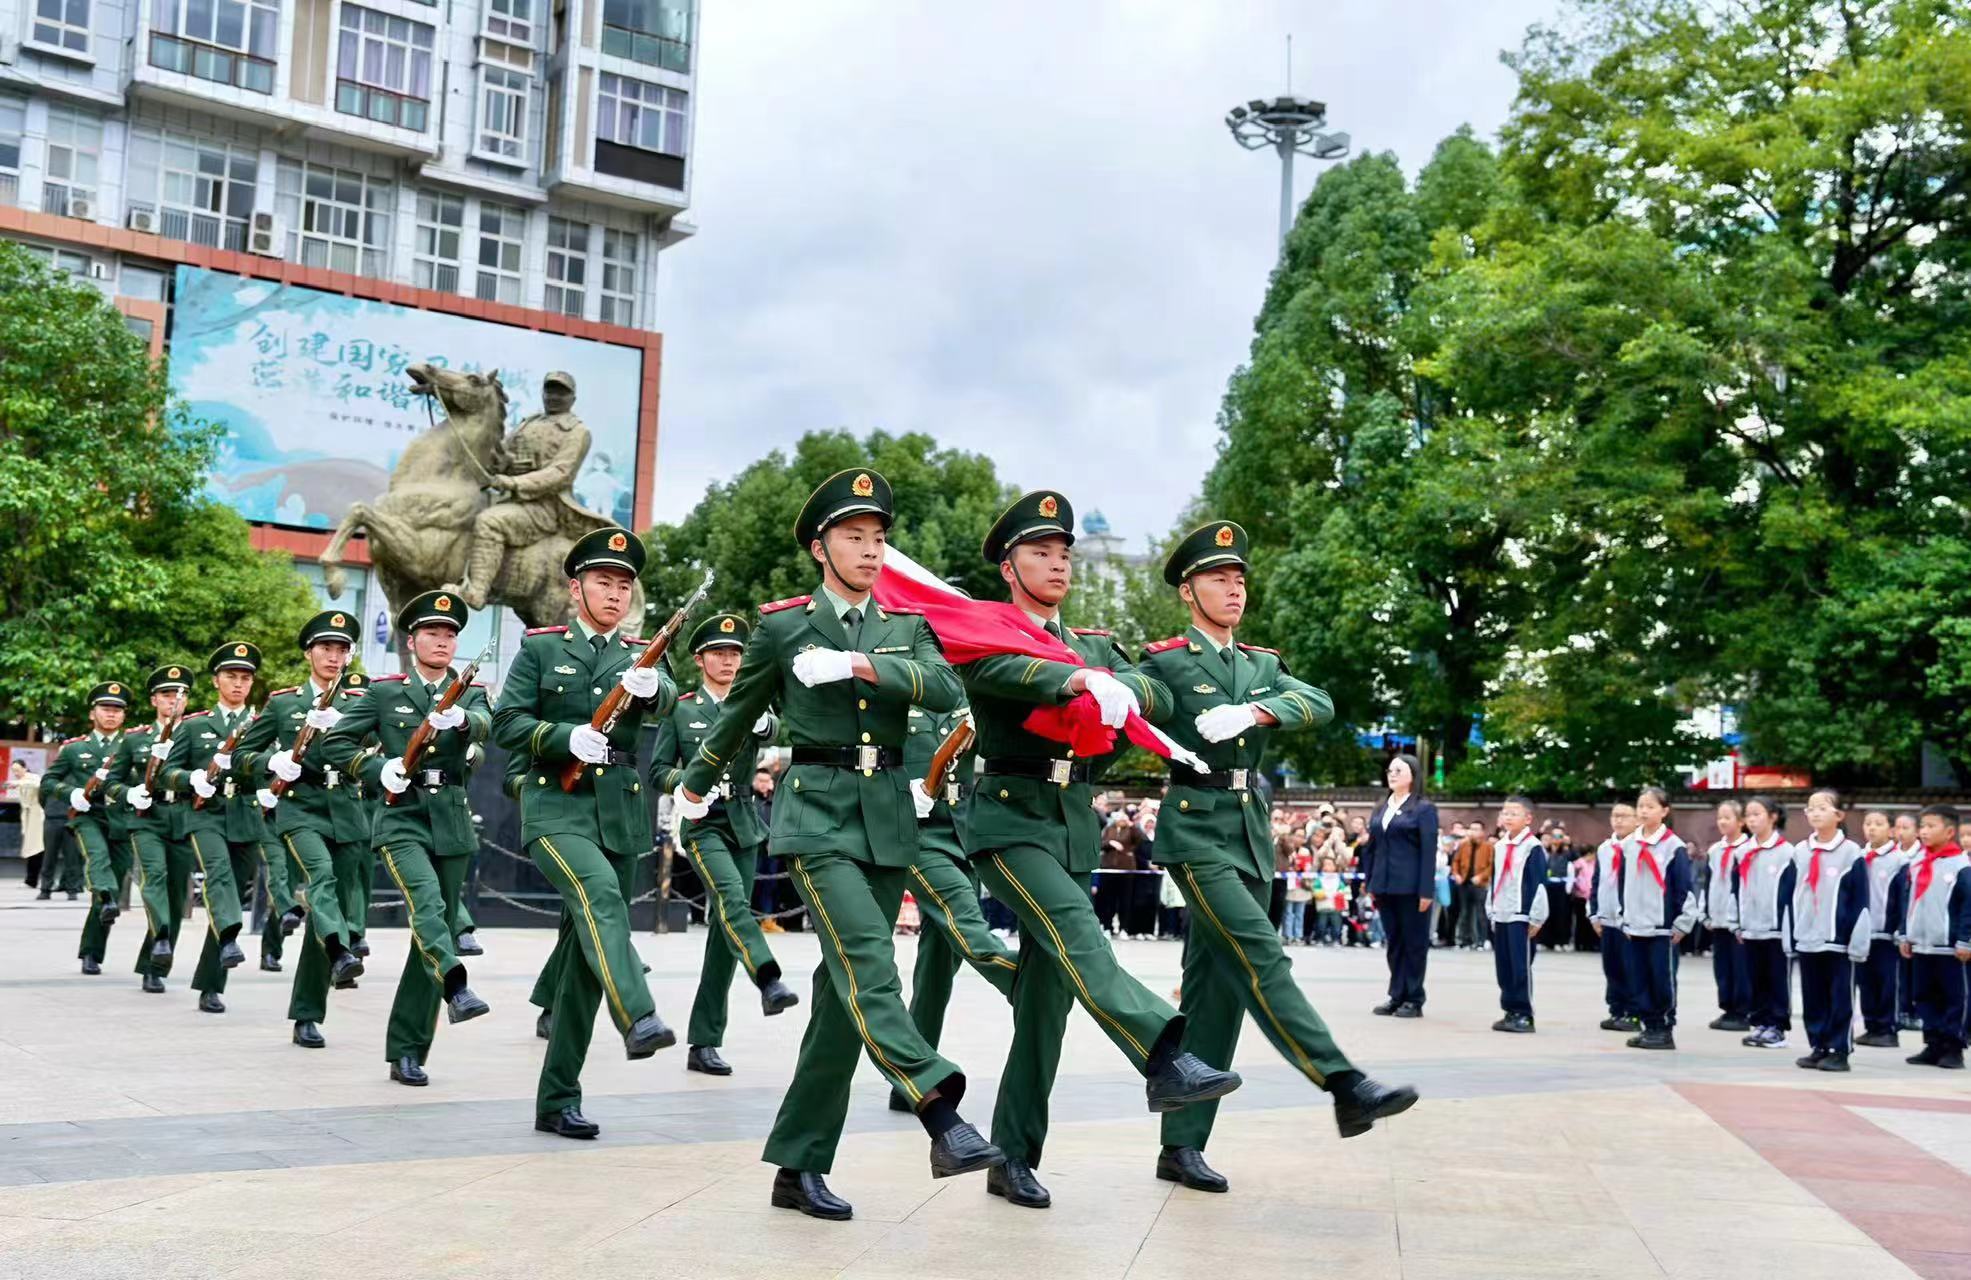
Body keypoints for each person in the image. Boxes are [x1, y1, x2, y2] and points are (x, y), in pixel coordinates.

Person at [670, 470, 1001, 1220]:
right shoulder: (783, 627)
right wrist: (691, 789)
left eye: (878, 537)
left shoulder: (903, 626)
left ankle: (797, 1164)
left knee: (839, 1002)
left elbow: (946, 692)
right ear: (821, 547)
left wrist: (857, 664)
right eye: (853, 537)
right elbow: (734, 718)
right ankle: (939, 1110)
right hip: (815, 815)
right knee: (870, 964)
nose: (869, 550)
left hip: (885, 817)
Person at [952, 492, 1243, 1211]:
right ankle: (1162, 1052)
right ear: (1008, 567)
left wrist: (1116, 684)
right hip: (1008, 821)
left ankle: (1012, 1154)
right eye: (1039, 553)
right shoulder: (987, 633)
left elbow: (1156, 690)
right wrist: (1078, 681)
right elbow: (1009, 673)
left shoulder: (1093, 643)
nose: (1056, 564)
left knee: (1046, 1002)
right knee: (1080, 933)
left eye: (1063, 554)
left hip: (1069, 823)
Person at [1137, 518, 1417, 1194]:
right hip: (1196, 827)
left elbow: (1315, 701)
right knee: (1261, 954)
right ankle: (1342, 1082)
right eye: (1216, 579)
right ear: (1187, 590)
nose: (1232, 590)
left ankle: (1180, 1146)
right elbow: (1132, 695)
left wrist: (1257, 714)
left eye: (1238, 580)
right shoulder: (1168, 659)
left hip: (1248, 833)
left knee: (1215, 995)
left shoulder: (1260, 665)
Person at [494, 527, 682, 1137]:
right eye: (604, 581)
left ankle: (557, 1100)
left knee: (580, 969)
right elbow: (507, 723)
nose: (615, 593)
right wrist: (560, 736)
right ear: (576, 589)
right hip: (557, 808)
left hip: (619, 815)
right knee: (601, 897)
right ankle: (640, 1015)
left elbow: (672, 699)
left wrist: (656, 691)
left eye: (624, 585)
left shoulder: (637, 653)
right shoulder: (543, 649)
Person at [319, 590, 495, 1085]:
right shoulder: (384, 691)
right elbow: (336, 744)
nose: (442, 641)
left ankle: (408, 1049)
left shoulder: (468, 689)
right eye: (433, 633)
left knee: (427, 939)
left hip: (452, 821)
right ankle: (457, 983)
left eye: (450, 634)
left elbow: (488, 725)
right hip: (401, 817)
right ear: (412, 639)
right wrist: (379, 768)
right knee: (428, 908)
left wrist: (462, 719)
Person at [648, 612, 799, 1079]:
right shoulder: (683, 709)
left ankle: (705, 1040)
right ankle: (768, 977)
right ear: (700, 660)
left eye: (735, 653)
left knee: (721, 937)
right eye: (719, 653)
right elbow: (658, 771)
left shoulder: (751, 705)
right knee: (733, 903)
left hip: (743, 825)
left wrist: (760, 722)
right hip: (702, 824)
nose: (729, 661)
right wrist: (687, 786)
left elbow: (777, 730)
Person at [235, 620, 372, 1035]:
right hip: (300, 809)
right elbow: (242, 755)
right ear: (309, 653)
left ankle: (308, 1013)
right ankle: (339, 947)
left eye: (341, 649)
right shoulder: (282, 704)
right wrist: (269, 763)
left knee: (328, 907)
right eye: (326, 648)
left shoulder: (360, 701)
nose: (334, 657)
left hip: (347, 809)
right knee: (321, 877)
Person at [892, 700, 1018, 1113]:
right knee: (963, 917)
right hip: (915, 830)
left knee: (940, 962)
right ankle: (1018, 979)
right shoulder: (900, 694)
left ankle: (914, 1079)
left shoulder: (973, 699)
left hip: (963, 830)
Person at [161, 646, 269, 1010]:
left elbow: (273, 765)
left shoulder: (261, 723)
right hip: (205, 813)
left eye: (245, 678)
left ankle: (211, 983)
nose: (238, 684)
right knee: (218, 876)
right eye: (231, 677)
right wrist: (190, 778)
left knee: (233, 893)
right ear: (216, 681)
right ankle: (230, 937)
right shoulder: (194, 725)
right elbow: (164, 774)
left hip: (246, 814)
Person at [104, 664, 193, 993]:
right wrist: (129, 793)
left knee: (175, 893)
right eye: (167, 695)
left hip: (185, 817)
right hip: (147, 819)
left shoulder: (196, 733)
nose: (173, 701)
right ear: (155, 700)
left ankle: (156, 961)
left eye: (179, 696)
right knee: (154, 875)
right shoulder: (134, 739)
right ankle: (161, 940)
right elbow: (110, 784)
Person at [44, 682, 131, 972]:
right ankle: (104, 900)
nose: (111, 714)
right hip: (88, 816)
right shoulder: (74, 749)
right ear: (93, 713)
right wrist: (72, 794)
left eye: (117, 710)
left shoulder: (131, 745)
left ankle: (92, 950)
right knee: (98, 859)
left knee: (110, 890)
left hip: (121, 819)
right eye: (106, 708)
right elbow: (48, 782)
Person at [1788, 789, 1871, 1071]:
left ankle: (1840, 1050)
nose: (1815, 813)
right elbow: (1788, 896)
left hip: (1838, 940)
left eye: (1822, 807)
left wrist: (1857, 940)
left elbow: (1861, 901)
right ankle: (1819, 1045)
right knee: (1812, 996)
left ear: (1839, 815)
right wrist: (1792, 933)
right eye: (1810, 808)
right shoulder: (1800, 851)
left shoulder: (1851, 853)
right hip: (1807, 936)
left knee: (1840, 996)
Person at [1618, 786, 1696, 1050]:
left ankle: (1663, 1028)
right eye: (1641, 805)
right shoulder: (1628, 844)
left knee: (1661, 979)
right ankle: (1648, 1026)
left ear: (1664, 811)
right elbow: (1622, 883)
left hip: (1661, 927)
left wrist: (1680, 923)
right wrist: (1624, 917)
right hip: (1635, 924)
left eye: (1650, 806)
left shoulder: (1674, 846)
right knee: (1639, 978)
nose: (1644, 811)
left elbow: (1683, 888)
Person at [1897, 803, 1971, 1069]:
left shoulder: (1962, 865)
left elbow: (1968, 906)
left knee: (1954, 997)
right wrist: (1905, 934)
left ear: (1949, 831)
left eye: (1931, 826)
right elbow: (1907, 901)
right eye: (1922, 826)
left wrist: (1966, 940)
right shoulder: (1916, 864)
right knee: (1924, 995)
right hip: (1922, 944)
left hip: (1950, 947)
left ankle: (1953, 1046)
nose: (1924, 832)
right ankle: (1933, 1043)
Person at [1363, 754, 1437, 1017]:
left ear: (1412, 775)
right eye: (1390, 770)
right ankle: (1396, 994)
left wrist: (1426, 890)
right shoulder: (1382, 807)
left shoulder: (1423, 809)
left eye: (1398, 770)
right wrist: (1368, 879)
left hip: (1411, 887)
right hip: (1384, 885)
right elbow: (1371, 847)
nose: (1392, 774)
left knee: (1414, 943)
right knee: (1394, 942)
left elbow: (1429, 852)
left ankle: (1414, 998)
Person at [1734, 794, 1797, 1050]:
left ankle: (1778, 1026)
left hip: (1776, 928)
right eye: (1748, 815)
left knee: (1777, 978)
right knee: (1756, 977)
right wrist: (1737, 921)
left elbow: (1792, 893)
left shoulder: (1788, 852)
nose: (1752, 819)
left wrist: (1789, 927)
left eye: (1757, 814)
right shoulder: (1742, 851)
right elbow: (1734, 888)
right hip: (1751, 926)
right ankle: (1760, 1023)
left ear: (1773, 817)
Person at [1487, 796, 1547, 1033]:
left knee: (1521, 965)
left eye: (1514, 813)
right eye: (1505, 812)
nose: (1508, 817)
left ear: (1528, 818)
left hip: (1521, 914)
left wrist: (1537, 916)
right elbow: (1494, 880)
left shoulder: (1533, 847)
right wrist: (1491, 908)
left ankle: (1524, 1013)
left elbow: (1540, 883)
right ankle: (1509, 1009)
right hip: (1501, 912)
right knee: (1504, 965)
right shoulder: (1500, 846)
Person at [1855, 809, 1910, 1049]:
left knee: (1888, 981)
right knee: (1865, 981)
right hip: (1862, 933)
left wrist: (1900, 928)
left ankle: (1888, 1028)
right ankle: (1871, 1026)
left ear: (1891, 830)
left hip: (1887, 933)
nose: (1872, 828)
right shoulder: (1857, 857)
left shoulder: (1900, 860)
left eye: (1878, 824)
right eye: (1868, 823)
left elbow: (1903, 898)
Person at [1703, 800, 1753, 1032]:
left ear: (1741, 822)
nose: (1722, 822)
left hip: (1739, 922)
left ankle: (1743, 1011)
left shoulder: (1748, 849)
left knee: (1741, 966)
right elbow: (1708, 883)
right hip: (1718, 918)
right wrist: (1706, 914)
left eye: (1728, 817)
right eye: (1719, 817)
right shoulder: (1715, 851)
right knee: (1722, 967)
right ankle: (1728, 1008)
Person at [1591, 802, 1641, 1031]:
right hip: (1607, 917)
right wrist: (1594, 913)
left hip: (1630, 921)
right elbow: (1596, 882)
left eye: (1624, 816)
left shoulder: (1639, 847)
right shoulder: (1604, 848)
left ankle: (1634, 1012)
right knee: (1612, 967)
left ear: (1637, 819)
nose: (1618, 820)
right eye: (1615, 816)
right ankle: (1616, 1009)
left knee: (1631, 967)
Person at [1893, 812, 1924, 1032]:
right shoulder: (1892, 854)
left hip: (1915, 919)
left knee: (1916, 971)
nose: (1900, 833)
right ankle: (1902, 1009)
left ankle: (1916, 1011)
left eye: (1906, 828)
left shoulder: (1922, 856)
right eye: (1898, 828)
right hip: (1895, 919)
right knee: (1899, 971)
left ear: (1917, 831)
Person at [1450, 821, 1492, 951]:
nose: (1473, 832)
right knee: (1464, 912)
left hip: (1479, 884)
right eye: (1471, 828)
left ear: (1482, 832)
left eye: (1476, 829)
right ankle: (1463, 941)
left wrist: (1480, 877)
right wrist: (1456, 874)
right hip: (1464, 883)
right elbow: (1455, 861)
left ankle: (1480, 941)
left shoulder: (1488, 847)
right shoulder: (1463, 845)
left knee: (1480, 913)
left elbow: (1491, 866)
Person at [11, 760, 43, 889]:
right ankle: (31, 879)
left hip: (37, 817)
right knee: (32, 849)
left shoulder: (32, 778)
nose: (16, 773)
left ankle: (32, 879)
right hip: (29, 818)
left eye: (18, 770)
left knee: (37, 849)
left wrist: (17, 783)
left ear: (25, 768)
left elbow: (36, 785)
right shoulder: (23, 781)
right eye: (14, 771)